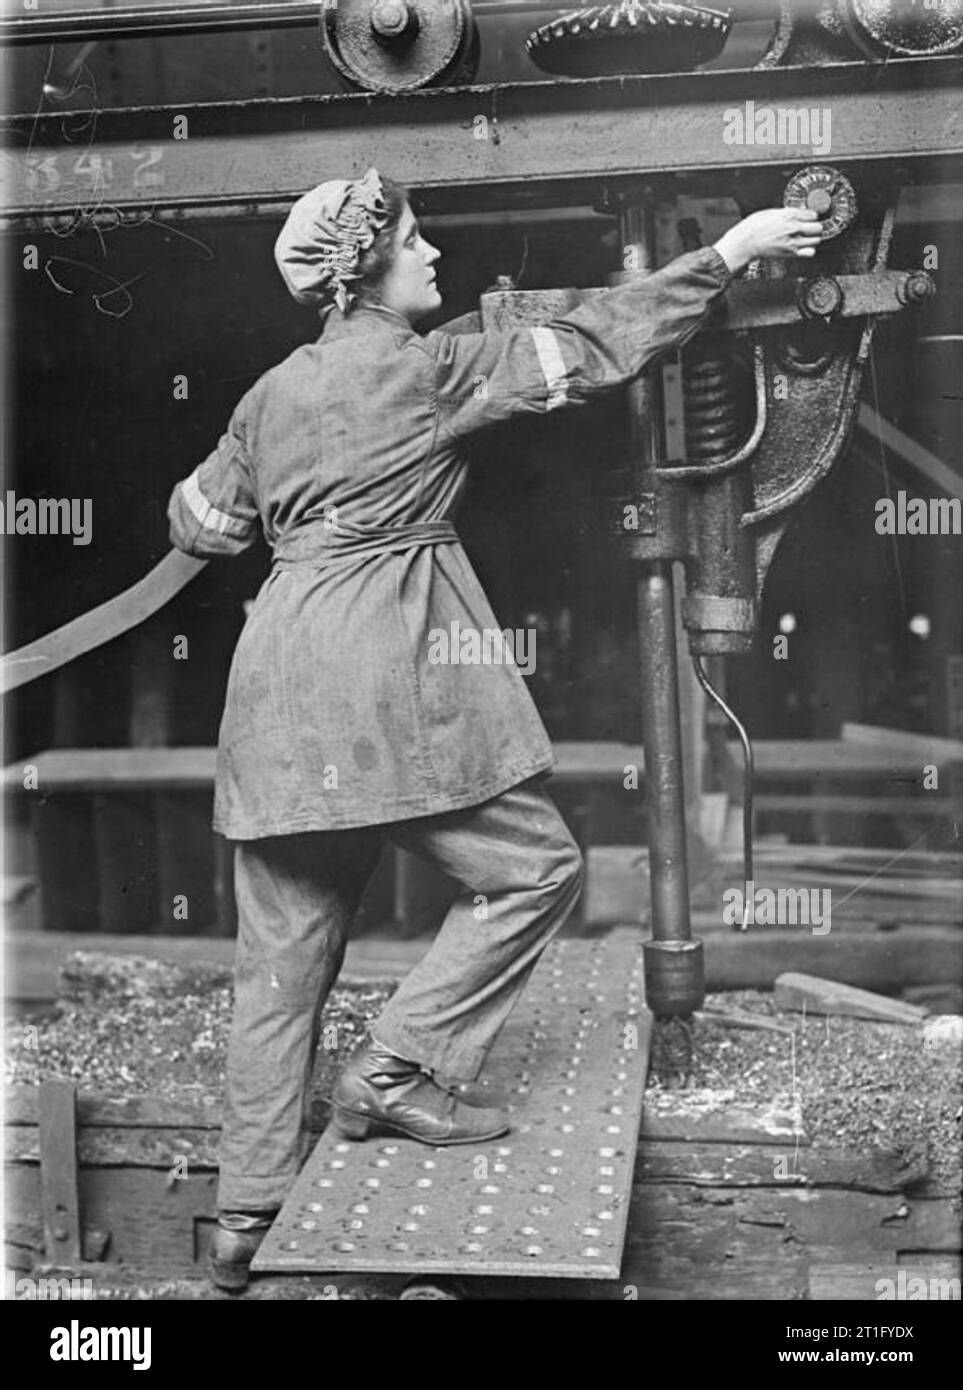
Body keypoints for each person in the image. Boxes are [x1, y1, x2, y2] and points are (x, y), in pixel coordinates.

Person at [166, 168, 822, 1289]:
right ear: (365, 266)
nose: (433, 256)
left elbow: (204, 523)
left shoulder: (265, 395)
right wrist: (728, 256)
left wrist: (303, 498)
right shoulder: (433, 371)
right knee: (535, 869)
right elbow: (603, 343)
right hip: (383, 680)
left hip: (272, 684)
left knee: (280, 960)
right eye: (415, 240)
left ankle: (244, 1218)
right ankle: (396, 1067)